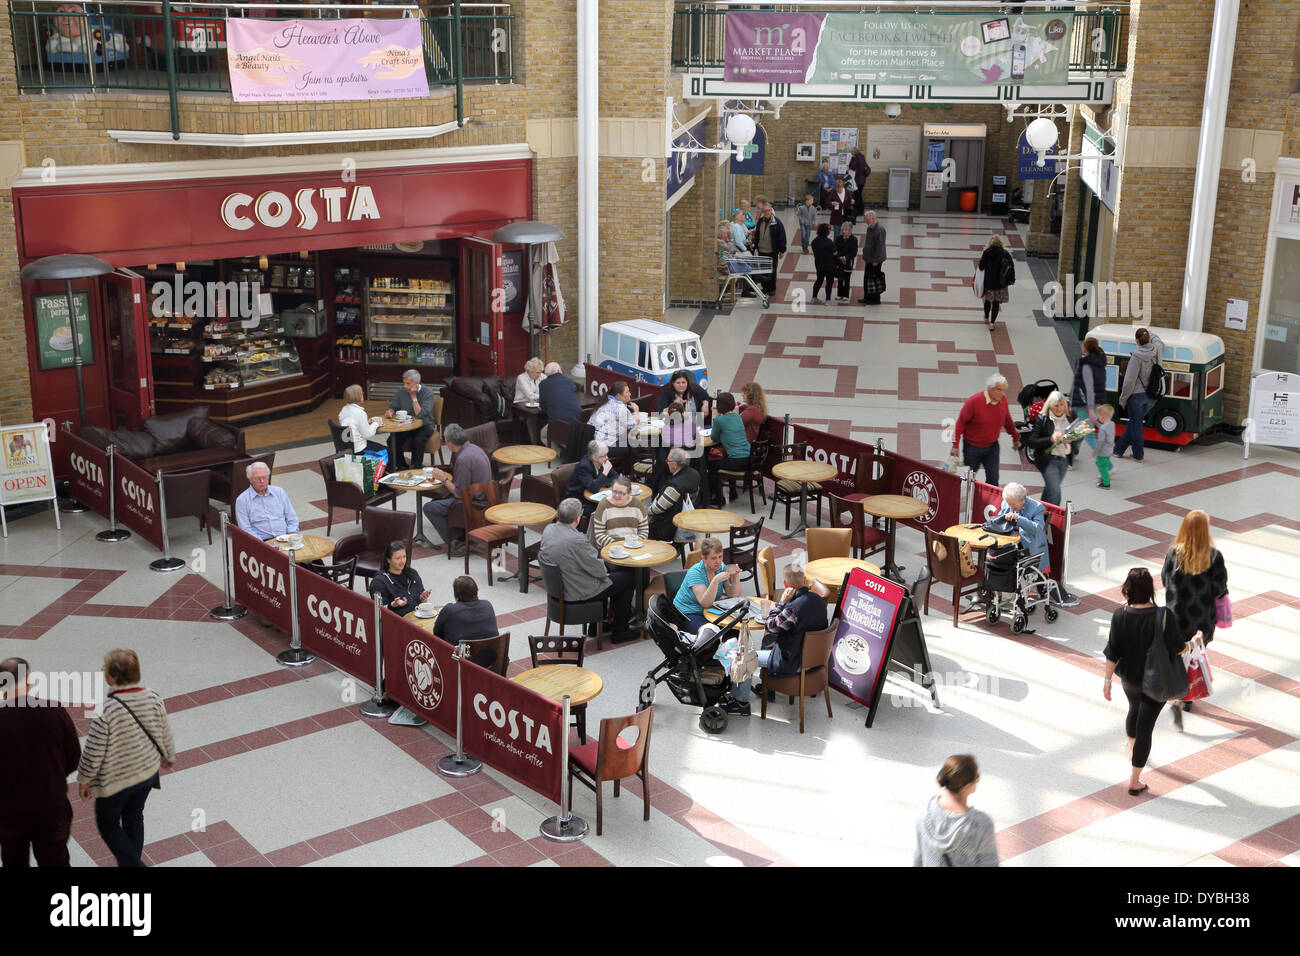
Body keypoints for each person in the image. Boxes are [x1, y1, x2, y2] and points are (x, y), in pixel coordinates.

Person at [77, 649, 175, 868]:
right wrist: (168, 754)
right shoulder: (153, 696)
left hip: (116, 782)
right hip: (147, 773)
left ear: (113, 676)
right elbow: (163, 730)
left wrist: (84, 780)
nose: (102, 670)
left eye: (105, 668)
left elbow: (94, 751)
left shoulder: (107, 711)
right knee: (134, 816)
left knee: (108, 824)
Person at [1103, 568, 1187, 794]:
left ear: (1127, 589)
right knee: (1145, 728)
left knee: (1134, 709)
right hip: (1155, 682)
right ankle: (1135, 780)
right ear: (1151, 589)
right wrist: (1192, 643)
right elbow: (1178, 647)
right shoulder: (1163, 615)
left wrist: (1107, 680)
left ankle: (1131, 747)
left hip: (1129, 679)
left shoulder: (1119, 615)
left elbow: (1113, 651)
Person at [0, 657, 81, 868]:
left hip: (9, 812)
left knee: (13, 861)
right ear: (27, 679)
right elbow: (73, 757)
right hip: (50, 807)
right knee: (56, 861)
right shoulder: (54, 710)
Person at [728, 558, 831, 713]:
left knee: (744, 658)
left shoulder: (793, 609)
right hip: (814, 659)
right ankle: (766, 688)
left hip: (793, 662)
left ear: (785, 585)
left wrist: (781, 602)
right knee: (768, 641)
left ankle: (740, 703)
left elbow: (771, 626)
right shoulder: (819, 601)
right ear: (804, 580)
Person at [1161, 510, 1229, 728]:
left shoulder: (1173, 552)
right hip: (1201, 619)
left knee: (1177, 654)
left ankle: (1175, 692)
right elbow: (1219, 588)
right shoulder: (1213, 556)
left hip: (1175, 615)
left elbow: (1164, 579)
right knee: (1194, 656)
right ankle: (1185, 699)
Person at [539, 498, 637, 643]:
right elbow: (599, 571)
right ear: (578, 518)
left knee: (609, 575)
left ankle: (597, 625)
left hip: (560, 587)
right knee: (628, 578)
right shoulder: (576, 540)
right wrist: (606, 567)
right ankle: (620, 630)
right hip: (578, 591)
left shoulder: (549, 529)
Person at [913, 755, 999, 867]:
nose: (977, 780)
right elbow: (988, 863)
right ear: (966, 787)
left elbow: (919, 855)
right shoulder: (980, 824)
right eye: (977, 777)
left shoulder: (926, 809)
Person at [422, 423, 492, 556]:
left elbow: (459, 493)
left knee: (429, 507)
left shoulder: (464, 459)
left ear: (448, 442)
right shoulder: (473, 448)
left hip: (474, 502)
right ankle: (460, 532)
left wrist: (443, 479)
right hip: (484, 495)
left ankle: (456, 541)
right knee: (436, 500)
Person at [951, 374, 1020, 488]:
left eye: (1004, 390)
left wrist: (1015, 437)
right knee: (969, 479)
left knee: (993, 479)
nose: (1002, 393)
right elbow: (960, 423)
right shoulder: (974, 402)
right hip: (972, 448)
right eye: (999, 390)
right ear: (990, 388)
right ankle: (967, 500)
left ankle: (989, 504)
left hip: (992, 447)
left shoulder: (1003, 401)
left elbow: (1007, 420)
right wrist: (955, 445)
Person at [1022, 390, 1088, 506]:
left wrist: (1073, 439)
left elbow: (1079, 435)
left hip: (1064, 459)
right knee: (1056, 491)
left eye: (1061, 405)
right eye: (1055, 406)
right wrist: (1051, 439)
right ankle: (1054, 521)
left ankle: (1041, 513)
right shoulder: (1042, 419)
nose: (1059, 408)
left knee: (1051, 489)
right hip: (1047, 460)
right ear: (1050, 406)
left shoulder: (1070, 416)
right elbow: (1032, 442)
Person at [1114, 327, 1165, 462]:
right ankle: (1118, 450)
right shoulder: (1157, 349)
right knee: (1134, 423)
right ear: (1149, 339)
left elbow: (1129, 381)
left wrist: (1123, 399)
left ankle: (1138, 455)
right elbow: (1159, 340)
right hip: (1152, 396)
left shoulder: (1136, 357)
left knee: (1136, 426)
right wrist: (1149, 332)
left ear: (1137, 341)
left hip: (1137, 396)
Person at [673, 536, 741, 633]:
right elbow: (705, 603)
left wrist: (735, 576)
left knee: (734, 628)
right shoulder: (695, 572)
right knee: (709, 634)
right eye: (713, 558)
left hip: (709, 611)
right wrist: (715, 581)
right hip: (687, 613)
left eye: (720, 556)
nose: (718, 561)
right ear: (704, 558)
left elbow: (733, 595)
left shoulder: (721, 567)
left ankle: (730, 648)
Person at [385, 369, 437, 469]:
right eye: (404, 383)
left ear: (416, 384)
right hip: (407, 424)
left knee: (417, 441)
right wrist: (390, 411)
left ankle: (416, 468)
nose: (405, 386)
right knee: (392, 440)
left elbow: (420, 415)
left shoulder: (428, 393)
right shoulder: (401, 391)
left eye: (408, 384)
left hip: (425, 424)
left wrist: (413, 396)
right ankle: (402, 466)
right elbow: (394, 405)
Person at [235, 460, 299, 540]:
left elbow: (292, 517)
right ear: (250, 480)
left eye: (264, 477)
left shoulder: (279, 492)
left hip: (285, 537)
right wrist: (262, 545)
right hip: (262, 542)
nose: (262, 481)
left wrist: (291, 534)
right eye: (258, 478)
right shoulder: (242, 500)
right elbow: (245, 529)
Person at [706, 391, 751, 503]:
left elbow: (714, 438)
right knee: (726, 459)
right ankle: (733, 493)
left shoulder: (719, 420)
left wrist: (715, 417)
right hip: (749, 459)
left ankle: (718, 497)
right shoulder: (737, 417)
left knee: (710, 464)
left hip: (736, 461)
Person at [647, 447, 700, 541]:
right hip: (685, 521)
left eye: (668, 461)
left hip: (669, 528)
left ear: (675, 465)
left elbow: (657, 509)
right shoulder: (694, 474)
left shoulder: (674, 488)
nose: (667, 463)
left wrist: (645, 511)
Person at [432, 575, 499, 644]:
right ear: (476, 591)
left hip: (462, 653)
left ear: (456, 597)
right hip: (493, 653)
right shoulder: (487, 605)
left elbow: (437, 634)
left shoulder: (449, 610)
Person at [997, 482, 1048, 572]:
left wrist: (1019, 519)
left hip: (1029, 548)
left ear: (1023, 500)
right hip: (1011, 545)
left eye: (1013, 504)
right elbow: (999, 522)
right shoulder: (1006, 503)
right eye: (1009, 504)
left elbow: (1038, 529)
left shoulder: (1037, 508)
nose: (1010, 507)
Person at [368, 541, 429, 617]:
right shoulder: (379, 582)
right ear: (388, 560)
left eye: (404, 556)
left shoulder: (412, 573)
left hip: (418, 617)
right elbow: (379, 613)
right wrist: (392, 605)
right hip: (399, 622)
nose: (402, 561)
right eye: (398, 558)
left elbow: (421, 601)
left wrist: (423, 599)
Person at [589, 380, 638, 470]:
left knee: (625, 440)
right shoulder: (620, 407)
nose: (630, 394)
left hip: (592, 442)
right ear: (619, 395)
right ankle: (627, 473)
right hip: (604, 447)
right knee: (633, 446)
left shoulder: (604, 402)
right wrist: (636, 411)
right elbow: (634, 427)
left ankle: (621, 471)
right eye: (627, 392)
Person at [591, 476, 649, 549]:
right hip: (610, 548)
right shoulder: (604, 504)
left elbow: (644, 530)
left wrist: (635, 544)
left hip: (634, 547)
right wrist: (617, 547)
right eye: (614, 491)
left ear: (629, 493)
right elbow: (599, 533)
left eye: (621, 493)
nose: (617, 495)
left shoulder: (637, 504)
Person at [1070, 337, 1107, 448]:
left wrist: (1090, 410)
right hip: (1090, 403)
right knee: (1077, 434)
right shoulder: (1098, 363)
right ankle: (1070, 459)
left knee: (1087, 435)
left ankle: (1105, 464)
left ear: (1086, 348)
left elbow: (1089, 389)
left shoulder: (1087, 364)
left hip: (1084, 405)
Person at [567, 439, 616, 512]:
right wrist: (605, 472)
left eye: (607, 454)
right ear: (594, 457)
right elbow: (593, 488)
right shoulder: (584, 466)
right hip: (578, 499)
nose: (607, 458)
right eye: (604, 455)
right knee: (607, 508)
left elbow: (615, 477)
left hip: (593, 495)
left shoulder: (602, 462)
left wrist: (604, 484)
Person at [977, 235, 1015, 329]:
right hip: (1000, 283)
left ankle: (986, 317)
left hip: (989, 282)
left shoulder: (986, 252)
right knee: (996, 303)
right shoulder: (1005, 253)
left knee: (988, 300)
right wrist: (1012, 279)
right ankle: (992, 323)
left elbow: (981, 267)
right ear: (1000, 243)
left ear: (990, 243)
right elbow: (1011, 267)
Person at [538, 361, 582, 441]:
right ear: (559, 370)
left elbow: (543, 407)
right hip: (578, 421)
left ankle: (558, 453)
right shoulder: (569, 381)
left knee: (543, 435)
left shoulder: (543, 384)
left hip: (558, 423)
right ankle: (564, 452)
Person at [337, 384, 386, 455]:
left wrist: (367, 422)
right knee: (387, 451)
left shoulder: (343, 410)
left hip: (346, 447)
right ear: (359, 397)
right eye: (362, 393)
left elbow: (352, 425)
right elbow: (367, 434)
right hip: (358, 449)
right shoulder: (360, 413)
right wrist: (376, 424)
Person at [752, 201, 787, 297]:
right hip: (762, 250)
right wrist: (755, 245)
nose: (767, 212)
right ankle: (765, 287)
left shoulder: (777, 222)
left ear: (771, 211)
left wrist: (782, 250)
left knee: (772, 270)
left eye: (768, 210)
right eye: (765, 211)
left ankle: (772, 288)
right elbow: (757, 234)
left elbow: (782, 237)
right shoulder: (760, 221)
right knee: (763, 270)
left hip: (772, 251)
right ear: (763, 212)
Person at [858, 210, 887, 304]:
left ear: (873, 219)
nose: (865, 221)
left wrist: (876, 260)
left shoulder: (879, 229)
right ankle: (867, 297)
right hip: (869, 258)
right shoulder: (870, 227)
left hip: (875, 259)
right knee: (867, 278)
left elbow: (880, 246)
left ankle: (875, 299)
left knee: (874, 279)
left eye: (866, 219)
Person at [810, 223, 838, 304]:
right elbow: (835, 252)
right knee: (829, 282)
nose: (830, 231)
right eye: (829, 229)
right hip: (829, 265)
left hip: (819, 264)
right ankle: (828, 300)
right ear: (826, 231)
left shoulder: (814, 242)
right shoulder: (829, 242)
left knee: (819, 280)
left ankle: (814, 297)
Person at [834, 221, 858, 302]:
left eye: (847, 230)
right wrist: (839, 257)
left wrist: (845, 257)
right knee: (840, 278)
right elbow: (835, 249)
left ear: (851, 230)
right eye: (844, 230)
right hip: (839, 261)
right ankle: (839, 294)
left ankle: (846, 295)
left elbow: (854, 252)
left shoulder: (854, 239)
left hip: (848, 262)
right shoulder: (839, 238)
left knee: (847, 279)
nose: (845, 232)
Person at [1094, 404, 1116, 489]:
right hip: (1109, 450)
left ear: (1102, 416)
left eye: (1098, 415)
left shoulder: (1102, 429)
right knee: (1100, 463)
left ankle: (1106, 484)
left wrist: (1095, 451)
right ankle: (1104, 476)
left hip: (1102, 452)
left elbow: (1100, 442)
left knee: (1102, 467)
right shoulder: (1112, 424)